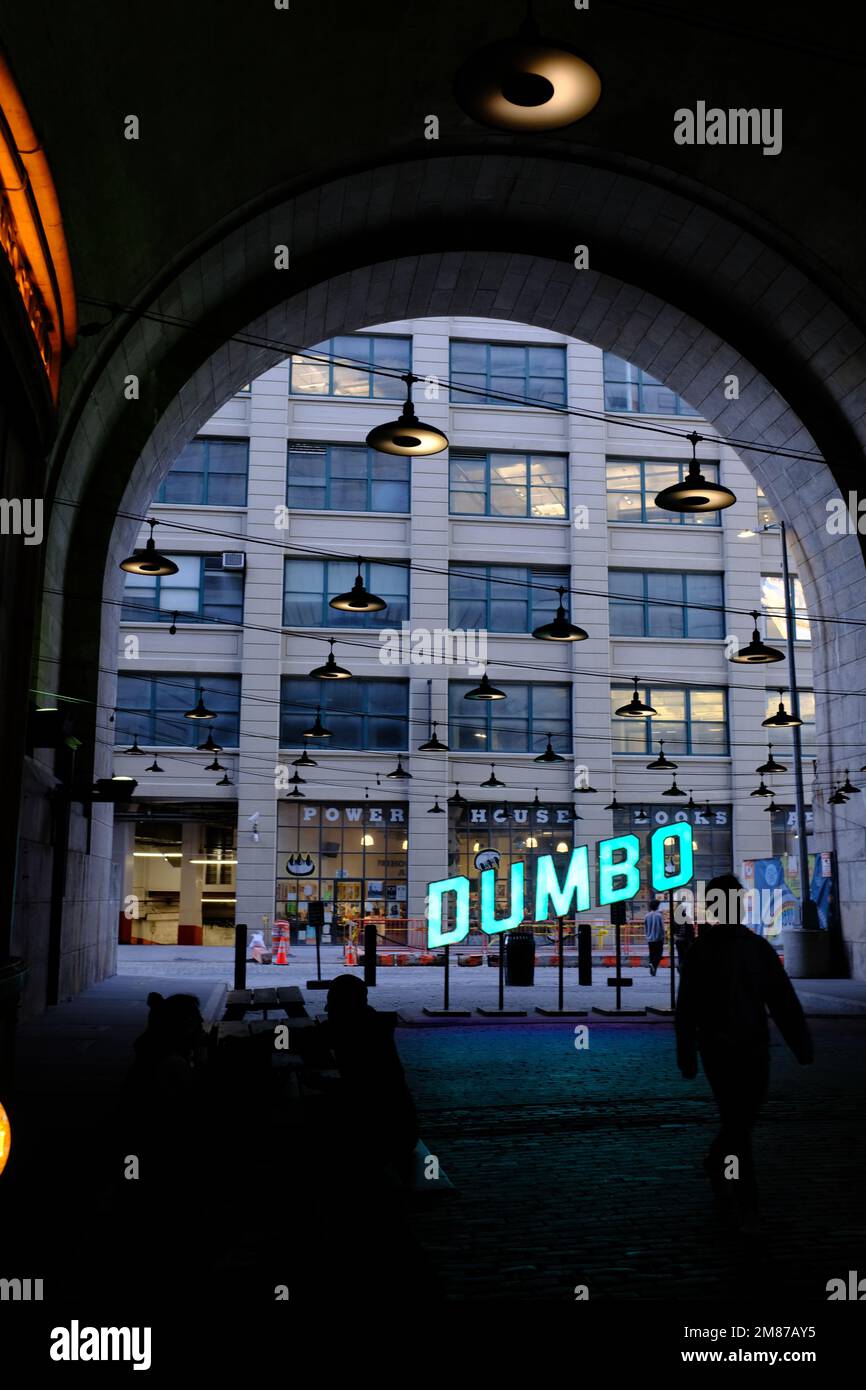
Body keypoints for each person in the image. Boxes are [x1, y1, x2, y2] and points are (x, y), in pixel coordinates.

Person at [675, 873, 813, 1230]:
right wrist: (800, 1043)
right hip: (742, 1048)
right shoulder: (753, 950)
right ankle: (745, 1196)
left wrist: (687, 1051)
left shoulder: (704, 952)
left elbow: (687, 1009)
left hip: (726, 1048)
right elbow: (782, 1001)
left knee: (738, 1121)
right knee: (739, 1122)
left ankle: (720, 1166)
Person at [312, 975, 419, 1179]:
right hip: (403, 1132)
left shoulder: (344, 1028)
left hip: (382, 1138)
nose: (328, 1010)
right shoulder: (372, 1024)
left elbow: (300, 1039)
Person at [644, 899, 665, 976]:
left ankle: (653, 968)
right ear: (657, 906)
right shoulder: (659, 915)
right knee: (658, 955)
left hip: (650, 939)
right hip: (658, 938)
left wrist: (647, 936)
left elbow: (645, 927)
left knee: (652, 954)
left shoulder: (646, 916)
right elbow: (662, 928)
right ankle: (653, 965)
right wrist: (663, 937)